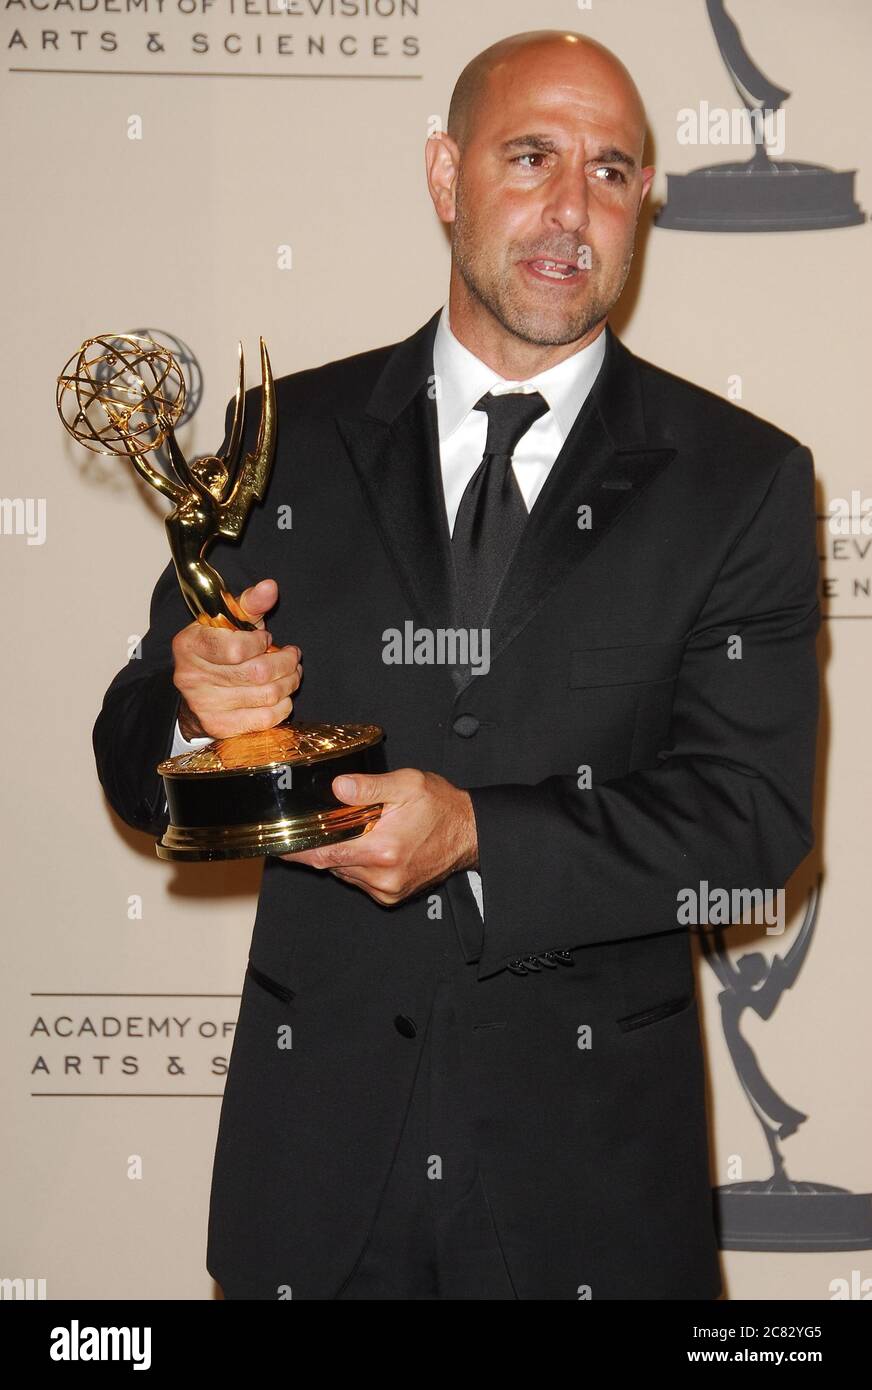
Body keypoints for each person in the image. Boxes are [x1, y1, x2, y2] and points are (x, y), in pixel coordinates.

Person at [93, 30, 820, 1300]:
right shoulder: (285, 441)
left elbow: (752, 832)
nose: (567, 211)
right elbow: (133, 753)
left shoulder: (738, 480)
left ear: (642, 199)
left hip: (590, 1197)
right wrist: (190, 711)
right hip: (312, 1194)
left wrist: (481, 833)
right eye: (528, 157)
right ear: (444, 174)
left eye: (608, 172)